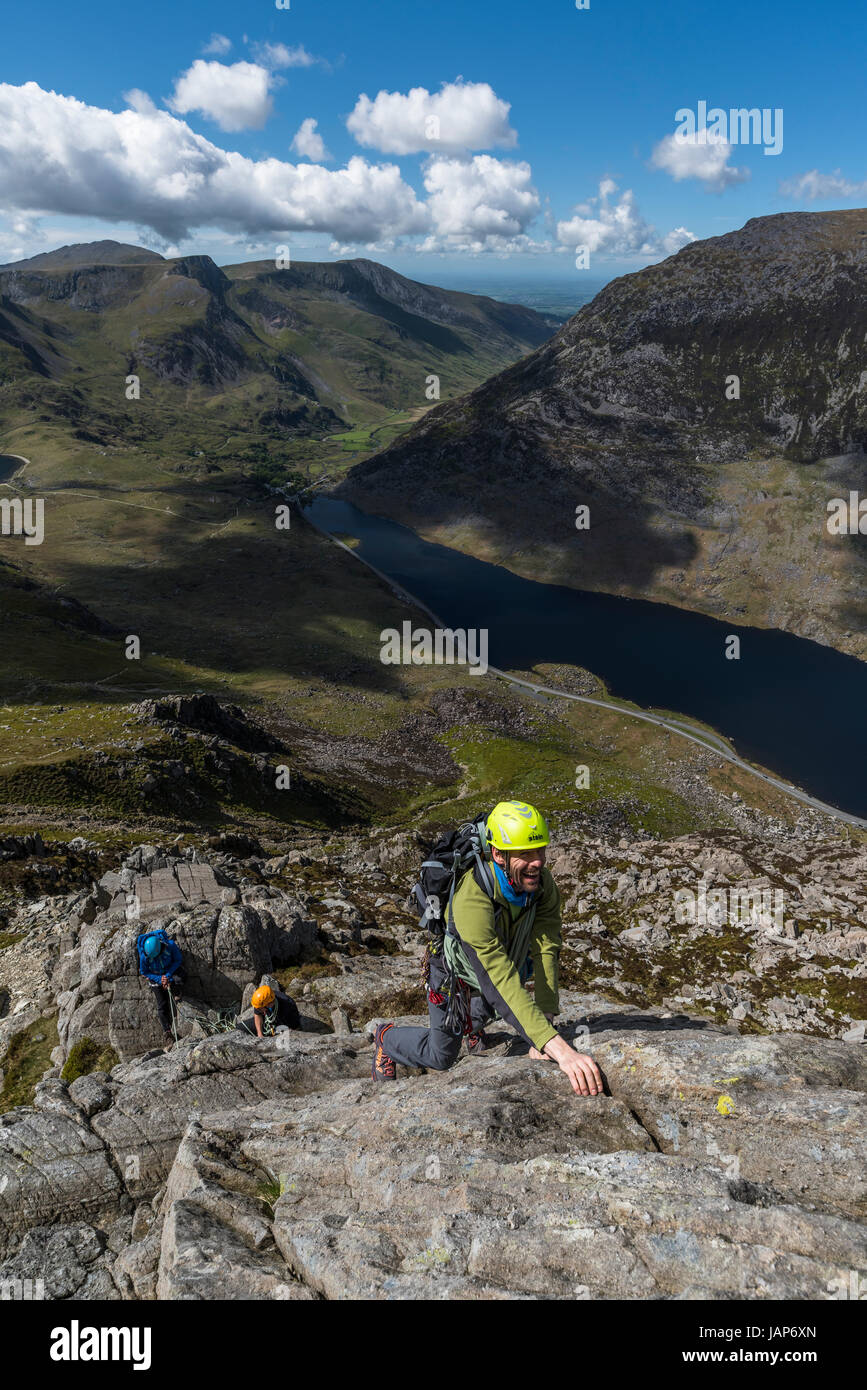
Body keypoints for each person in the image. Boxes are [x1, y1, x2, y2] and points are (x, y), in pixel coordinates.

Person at [372, 800, 603, 1098]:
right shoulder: (472, 896)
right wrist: (560, 1049)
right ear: (498, 854)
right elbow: (498, 977)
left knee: (498, 1011)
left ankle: (474, 1026)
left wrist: (544, 1021)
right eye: (525, 853)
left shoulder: (542, 884)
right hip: (454, 978)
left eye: (540, 850)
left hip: (495, 970)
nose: (538, 862)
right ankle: (386, 1038)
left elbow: (546, 946)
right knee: (441, 1056)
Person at [136, 929, 185, 1050]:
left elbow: (178, 960)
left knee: (181, 977)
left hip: (170, 972)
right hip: (156, 977)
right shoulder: (144, 956)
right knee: (162, 1006)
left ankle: (175, 990)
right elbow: (144, 971)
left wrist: (167, 976)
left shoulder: (170, 945)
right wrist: (159, 979)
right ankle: (167, 1033)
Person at [236, 983, 301, 1039]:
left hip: (283, 1024)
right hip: (268, 1020)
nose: (258, 1010)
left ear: (269, 1004)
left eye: (260, 1008)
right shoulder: (262, 1000)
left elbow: (294, 1029)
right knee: (239, 1028)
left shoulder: (288, 1006)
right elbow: (257, 1015)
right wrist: (260, 1034)